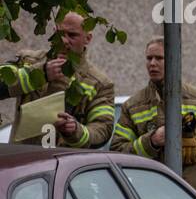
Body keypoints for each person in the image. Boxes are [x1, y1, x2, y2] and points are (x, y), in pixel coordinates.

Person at [111, 36, 196, 199]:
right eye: (149, 58)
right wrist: (151, 141)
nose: (152, 63)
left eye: (159, 58)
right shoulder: (133, 106)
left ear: (175, 60)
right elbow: (118, 152)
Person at [0, 12, 115, 148]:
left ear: (88, 38)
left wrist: (76, 131)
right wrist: (40, 74)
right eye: (60, 34)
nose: (64, 41)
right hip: (23, 162)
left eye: (72, 35)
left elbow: (103, 130)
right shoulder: (27, 60)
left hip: (65, 166)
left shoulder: (100, 83)